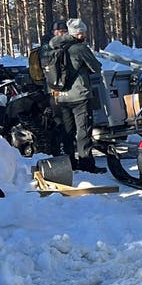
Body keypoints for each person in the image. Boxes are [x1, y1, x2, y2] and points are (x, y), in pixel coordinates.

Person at [51, 18, 107, 174]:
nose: (86, 34)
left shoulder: (55, 47)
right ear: (79, 33)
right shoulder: (79, 48)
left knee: (67, 131)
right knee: (83, 131)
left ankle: (69, 162)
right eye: (84, 32)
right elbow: (96, 67)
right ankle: (86, 164)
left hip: (61, 96)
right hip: (79, 96)